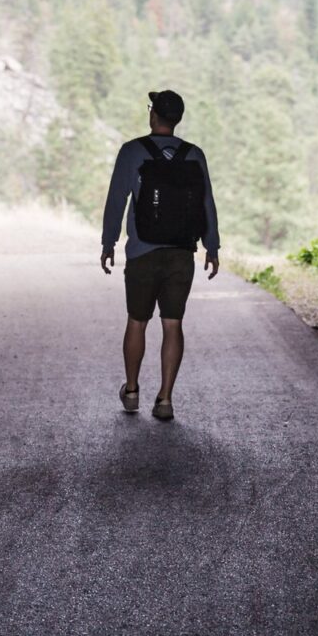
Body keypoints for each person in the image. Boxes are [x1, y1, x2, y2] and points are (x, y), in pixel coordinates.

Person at [100, 88, 220, 421]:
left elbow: (116, 200)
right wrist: (212, 246)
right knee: (172, 324)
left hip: (142, 253)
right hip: (181, 254)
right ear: (177, 119)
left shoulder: (131, 151)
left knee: (137, 322)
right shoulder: (195, 155)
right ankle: (165, 399)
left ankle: (133, 390)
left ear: (153, 115)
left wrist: (108, 242)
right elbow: (206, 203)